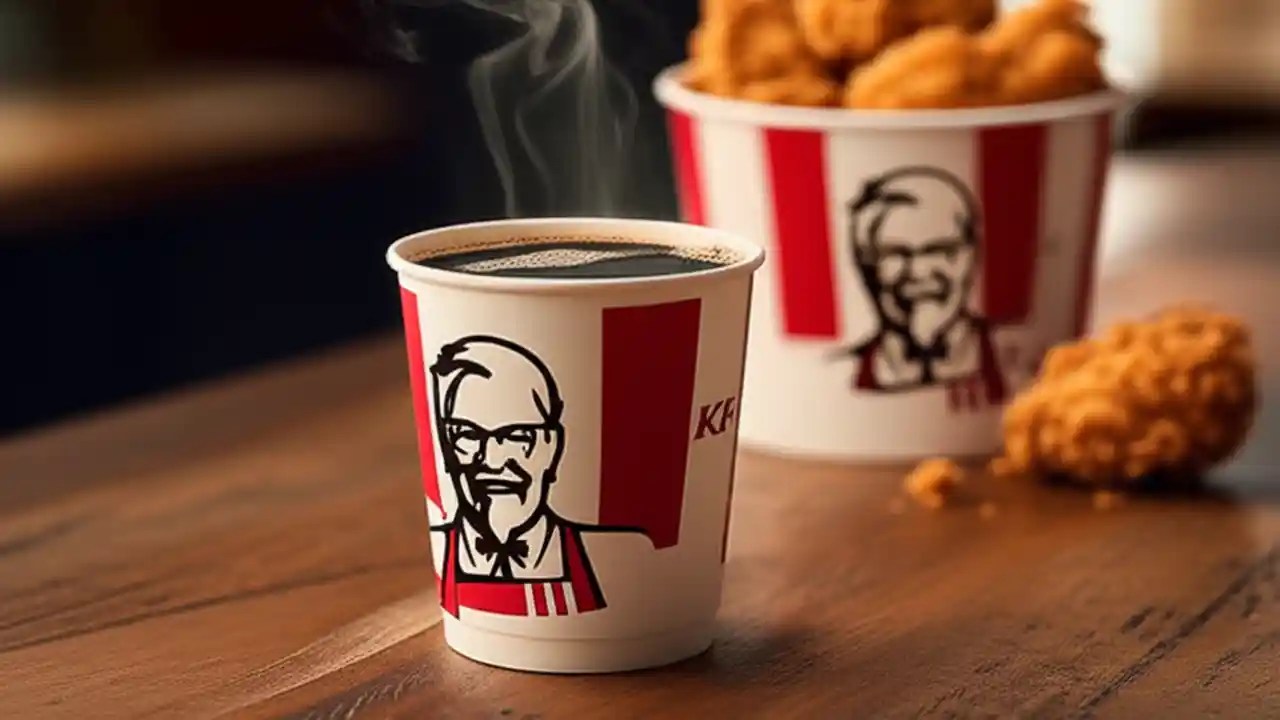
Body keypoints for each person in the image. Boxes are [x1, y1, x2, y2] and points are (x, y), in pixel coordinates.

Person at [428, 336, 639, 617]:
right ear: (446, 447)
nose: (492, 460)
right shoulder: (441, 551)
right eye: (468, 435)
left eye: (517, 436)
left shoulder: (615, 558)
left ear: (552, 447)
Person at [844, 167, 1006, 404]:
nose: (918, 272)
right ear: (864, 264)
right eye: (894, 253)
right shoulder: (833, 373)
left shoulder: (1018, 356)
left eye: (940, 250)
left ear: (971, 255)